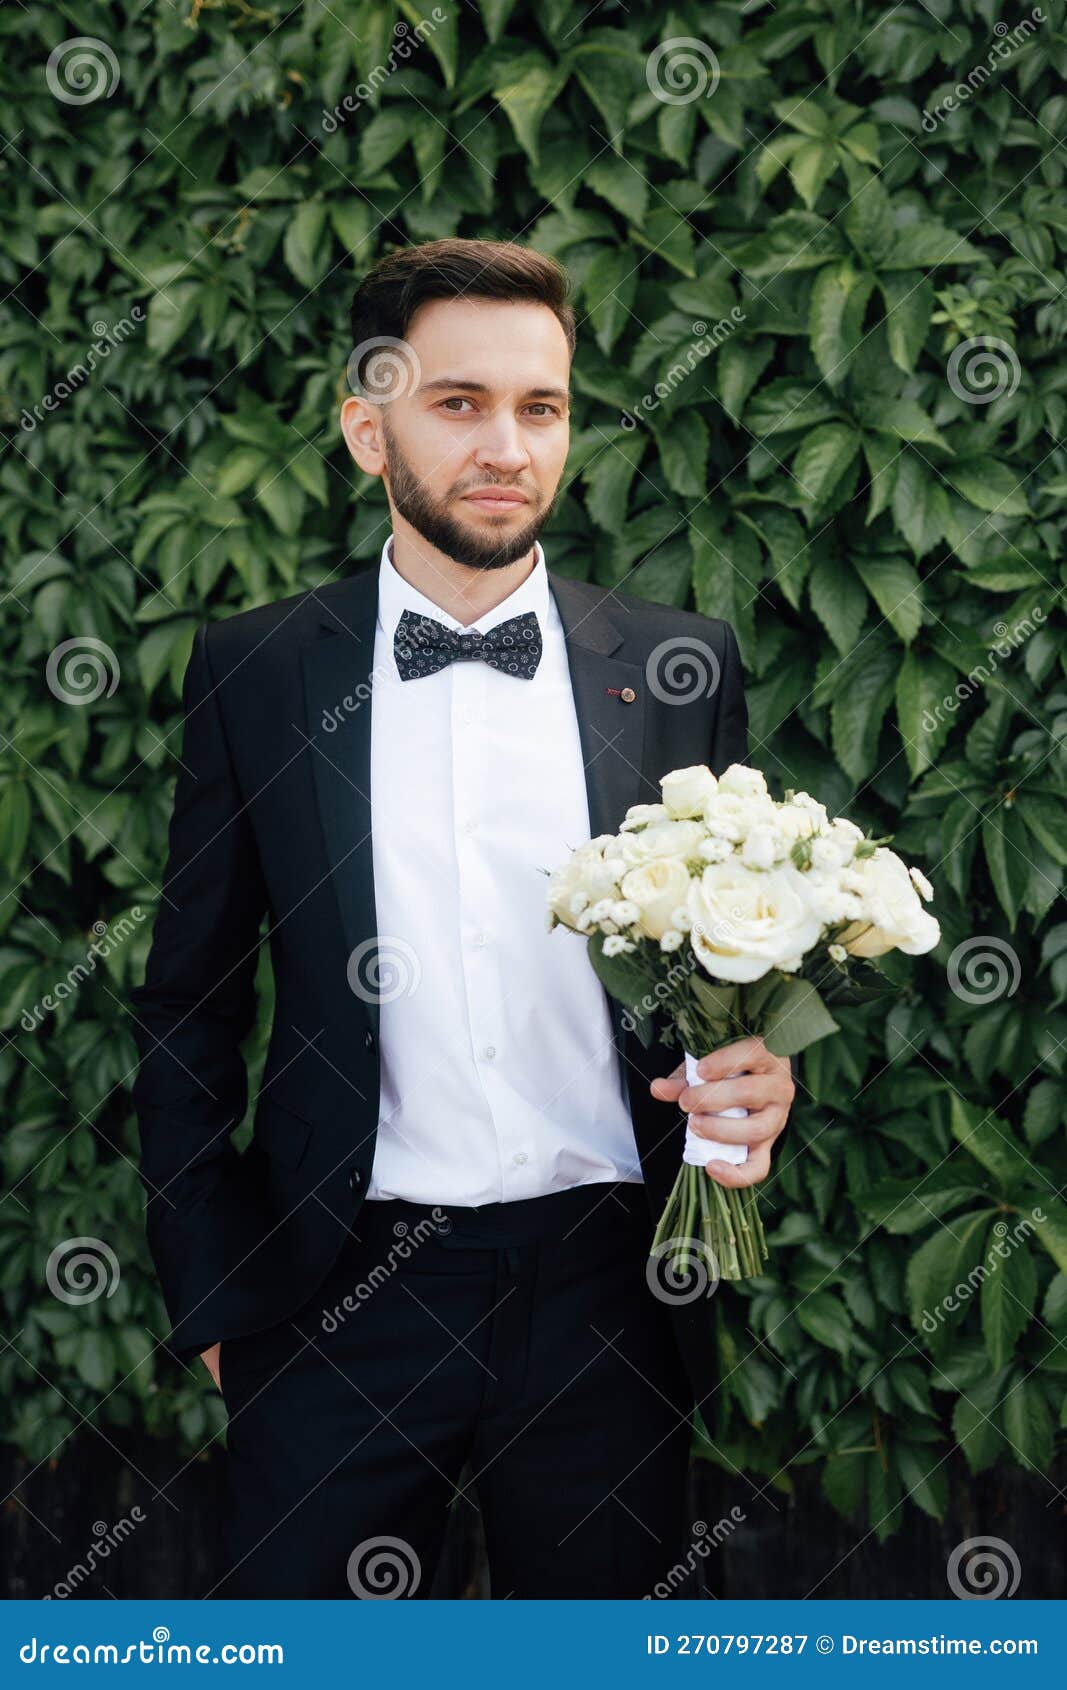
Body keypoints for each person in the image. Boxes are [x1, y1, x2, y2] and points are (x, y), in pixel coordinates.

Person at [129, 237, 795, 1599]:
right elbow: (188, 1000)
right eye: (459, 403)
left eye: (541, 407)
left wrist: (766, 1077)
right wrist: (219, 1301)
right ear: (368, 429)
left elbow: (750, 954)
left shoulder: (679, 664)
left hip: (610, 1294)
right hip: (334, 1298)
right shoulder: (259, 668)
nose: (507, 446)